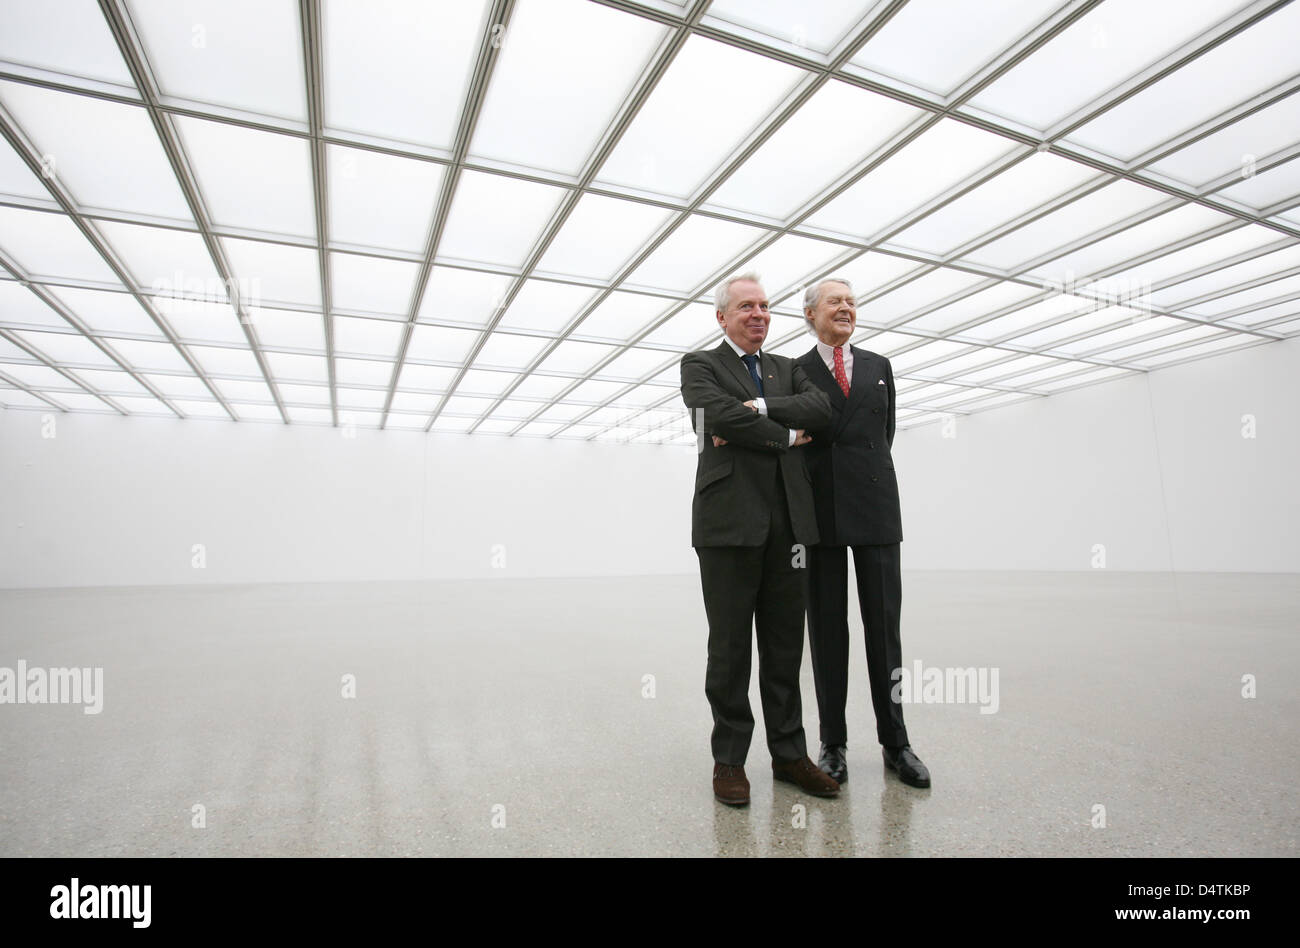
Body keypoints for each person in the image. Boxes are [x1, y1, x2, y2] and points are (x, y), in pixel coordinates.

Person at [681, 271, 837, 807]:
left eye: (766, 306)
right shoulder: (700, 364)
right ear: (722, 316)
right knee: (728, 648)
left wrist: (762, 411)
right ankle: (729, 761)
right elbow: (712, 413)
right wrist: (788, 436)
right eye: (746, 306)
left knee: (784, 646)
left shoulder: (788, 368)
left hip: (791, 526)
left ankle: (790, 755)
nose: (759, 315)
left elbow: (823, 409)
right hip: (728, 526)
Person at [795, 278, 931, 789]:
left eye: (852, 301)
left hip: (876, 510)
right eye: (836, 301)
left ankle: (897, 743)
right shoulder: (796, 370)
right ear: (811, 314)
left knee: (885, 630)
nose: (847, 308)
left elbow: (884, 434)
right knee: (827, 632)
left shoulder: (879, 366)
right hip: (821, 514)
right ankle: (833, 744)